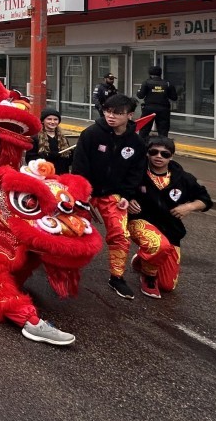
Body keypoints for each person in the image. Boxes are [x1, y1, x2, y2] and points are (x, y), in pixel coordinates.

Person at [71, 94, 147, 300]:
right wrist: (83, 195)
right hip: (85, 194)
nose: (111, 116)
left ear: (130, 115)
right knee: (73, 232)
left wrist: (126, 195)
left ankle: (117, 277)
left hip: (113, 196)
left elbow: (136, 172)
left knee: (120, 236)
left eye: (117, 113)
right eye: (108, 111)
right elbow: (79, 167)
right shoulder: (91, 134)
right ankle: (68, 270)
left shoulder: (137, 142)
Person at [128, 137, 212, 298]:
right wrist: (129, 198)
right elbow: (121, 188)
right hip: (140, 222)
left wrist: (189, 206)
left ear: (171, 156)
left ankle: (141, 259)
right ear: (147, 154)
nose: (158, 156)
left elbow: (205, 200)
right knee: (158, 245)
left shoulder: (183, 178)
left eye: (164, 154)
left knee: (167, 285)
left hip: (170, 230)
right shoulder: (136, 173)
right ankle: (148, 277)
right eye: (153, 152)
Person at [24, 108, 71, 176]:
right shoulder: (35, 138)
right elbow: (30, 159)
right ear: (43, 121)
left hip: (61, 175)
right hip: (44, 176)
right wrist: (46, 158)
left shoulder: (63, 138)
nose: (52, 122)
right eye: (49, 119)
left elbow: (68, 160)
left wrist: (73, 153)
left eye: (55, 119)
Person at [137, 66, 178, 141]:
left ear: (150, 73)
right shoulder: (167, 83)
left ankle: (142, 147)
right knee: (163, 130)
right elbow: (174, 97)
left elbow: (140, 96)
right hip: (163, 109)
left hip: (148, 109)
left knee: (144, 129)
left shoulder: (146, 83)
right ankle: (163, 146)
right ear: (160, 73)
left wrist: (139, 90)